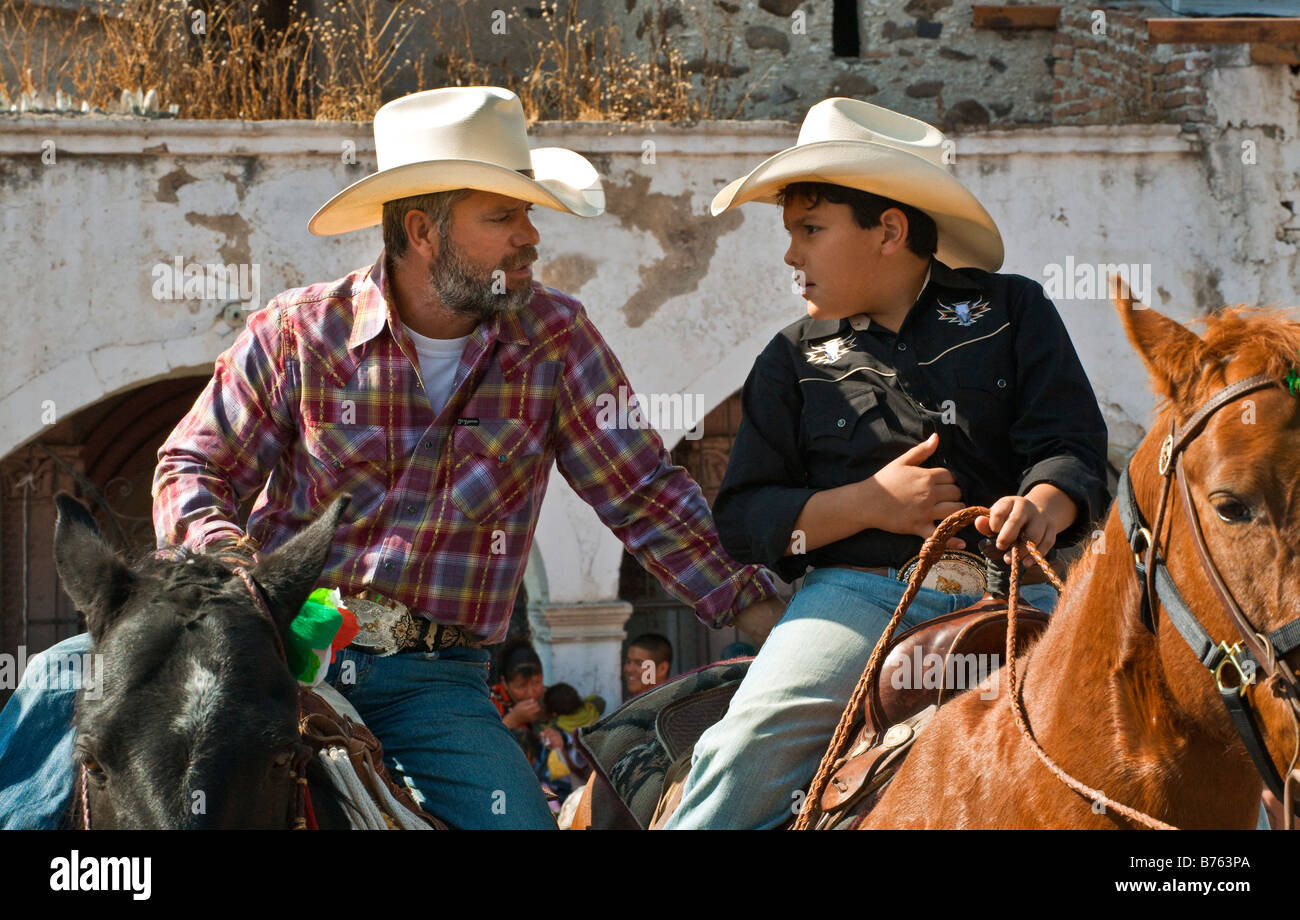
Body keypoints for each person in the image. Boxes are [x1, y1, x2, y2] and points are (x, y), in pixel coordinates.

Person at [0, 85, 785, 830]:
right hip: (268, 647)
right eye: (504, 214)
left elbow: (640, 490)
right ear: (421, 231)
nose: (531, 235)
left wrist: (756, 608)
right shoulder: (297, 332)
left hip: (432, 681)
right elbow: (193, 468)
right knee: (51, 685)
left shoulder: (555, 339)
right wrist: (238, 578)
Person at [663, 98, 1110, 829]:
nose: (790, 256)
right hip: (854, 600)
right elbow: (744, 521)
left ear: (890, 230)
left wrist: (1044, 507)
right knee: (745, 748)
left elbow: (1071, 447)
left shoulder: (1014, 310)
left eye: (810, 230)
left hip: (1020, 595)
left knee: (1163, 725)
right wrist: (869, 504)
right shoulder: (790, 359)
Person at [622, 632, 672, 698]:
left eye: (639, 664)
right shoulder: (633, 705)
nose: (629, 669)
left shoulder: (673, 705)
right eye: (628, 662)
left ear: (662, 669)